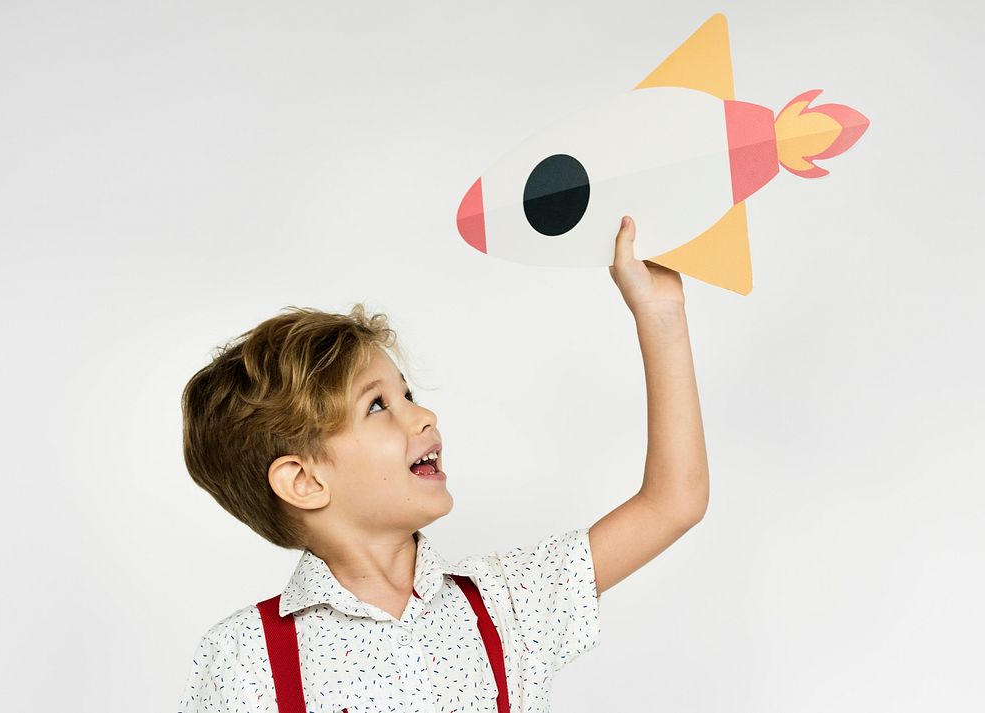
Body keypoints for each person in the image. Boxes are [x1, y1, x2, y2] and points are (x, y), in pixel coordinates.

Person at [177, 216, 709, 712]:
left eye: (407, 394)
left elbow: (673, 501)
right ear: (304, 480)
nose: (424, 415)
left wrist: (661, 316)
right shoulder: (242, 658)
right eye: (378, 405)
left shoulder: (506, 602)